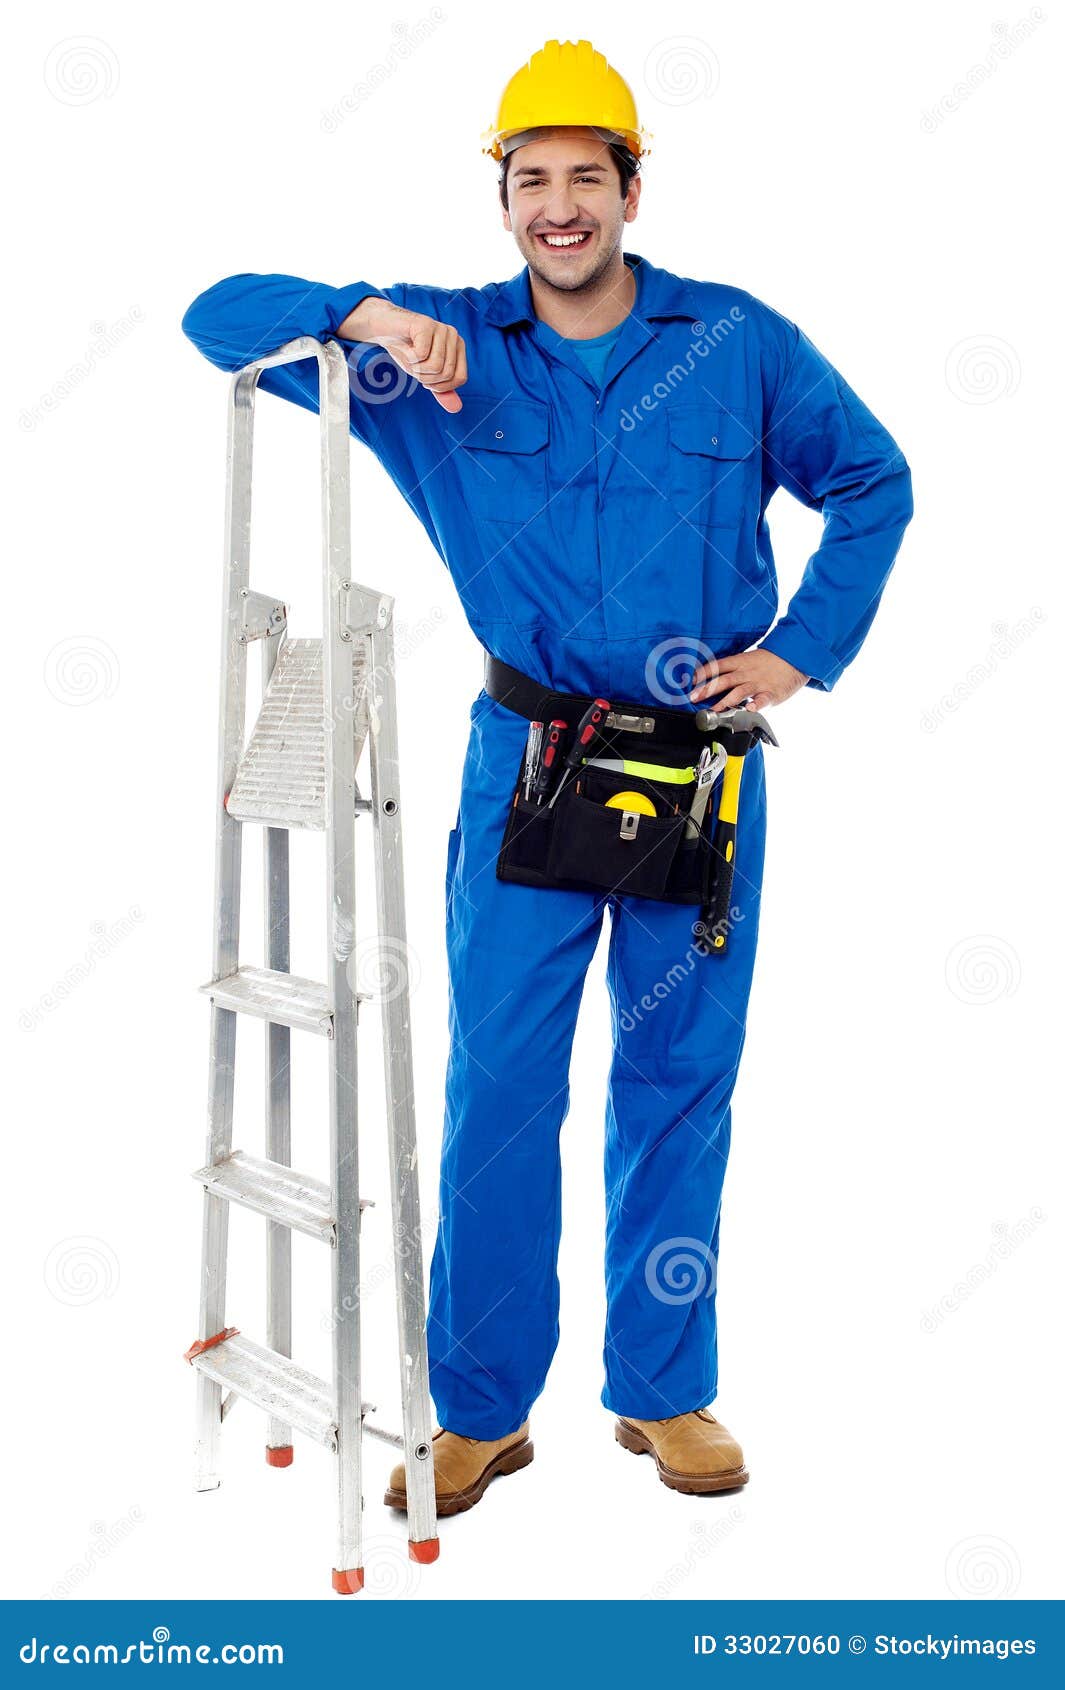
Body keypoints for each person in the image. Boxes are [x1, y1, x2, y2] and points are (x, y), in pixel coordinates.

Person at [183, 38, 912, 1516]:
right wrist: (357, 309)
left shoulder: (735, 341)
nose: (560, 204)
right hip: (528, 761)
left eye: (588, 176)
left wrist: (792, 654)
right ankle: (479, 1409)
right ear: (502, 198)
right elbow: (213, 320)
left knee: (676, 1076)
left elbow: (871, 480)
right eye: (532, 180)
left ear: (632, 189)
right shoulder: (434, 348)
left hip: (695, 768)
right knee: (501, 1087)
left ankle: (665, 1390)